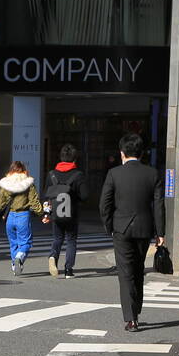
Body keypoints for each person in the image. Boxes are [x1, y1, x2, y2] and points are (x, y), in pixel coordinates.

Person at [99, 133, 164, 332]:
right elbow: (159, 205)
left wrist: (109, 226)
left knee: (125, 272)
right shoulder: (152, 173)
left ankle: (131, 318)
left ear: (122, 153)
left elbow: (104, 204)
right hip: (144, 228)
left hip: (121, 229)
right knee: (138, 270)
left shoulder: (114, 174)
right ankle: (136, 308)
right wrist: (160, 232)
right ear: (141, 153)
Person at [43, 143, 88, 278]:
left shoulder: (51, 174)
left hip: (56, 213)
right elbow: (85, 195)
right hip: (72, 213)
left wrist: (46, 213)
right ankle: (68, 270)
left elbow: (46, 195)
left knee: (57, 238)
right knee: (71, 240)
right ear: (75, 159)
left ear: (61, 157)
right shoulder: (78, 175)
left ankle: (53, 256)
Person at [0, 160, 43, 275]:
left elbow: (0, 203)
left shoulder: (6, 184)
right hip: (23, 215)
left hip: (10, 216)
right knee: (26, 242)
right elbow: (34, 201)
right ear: (24, 170)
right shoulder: (28, 183)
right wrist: (41, 213)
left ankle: (14, 265)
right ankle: (20, 257)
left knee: (13, 243)